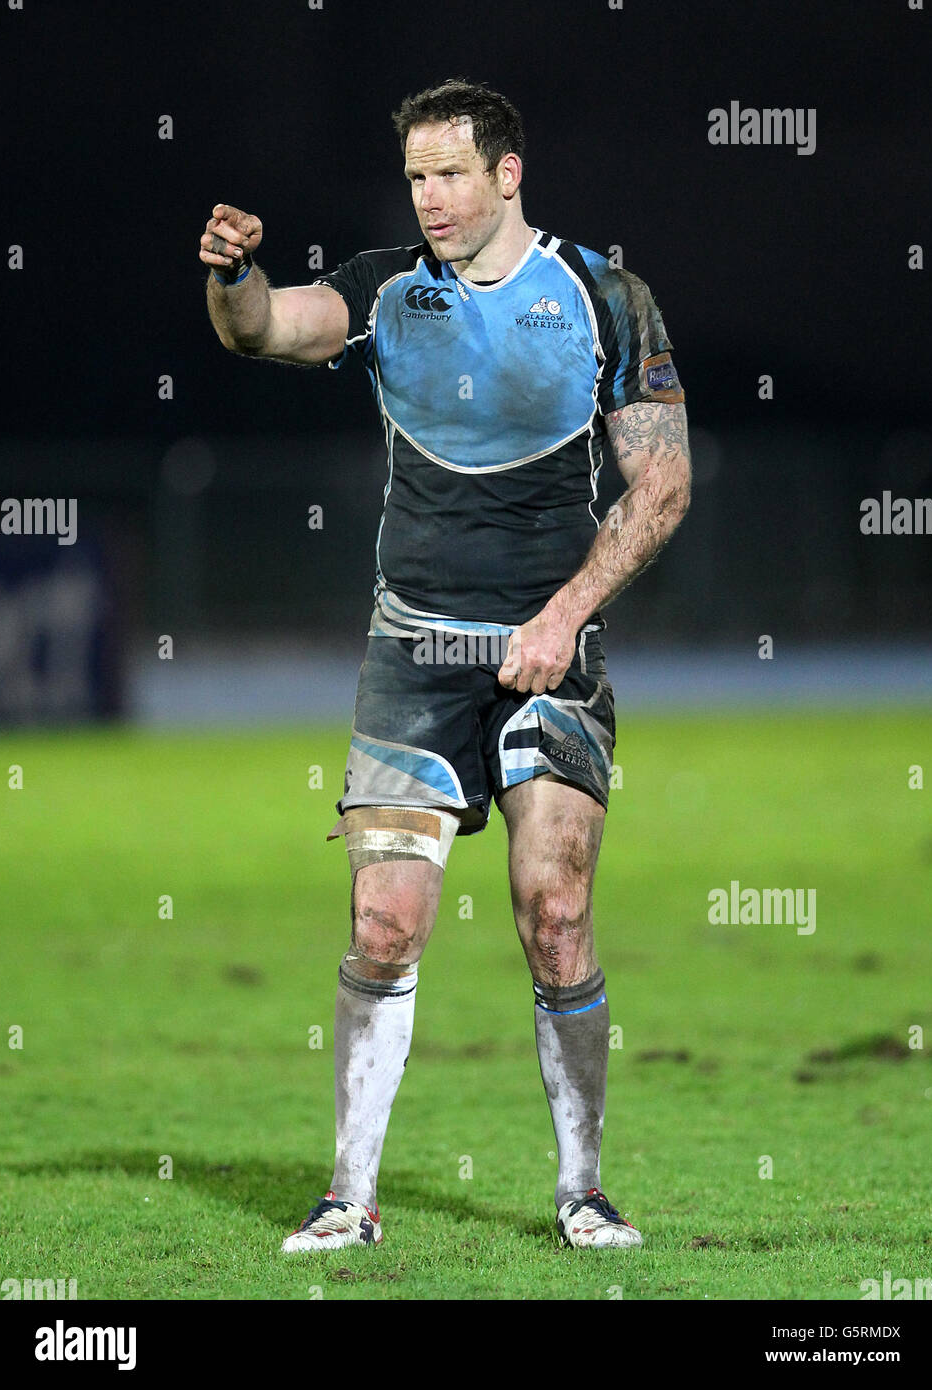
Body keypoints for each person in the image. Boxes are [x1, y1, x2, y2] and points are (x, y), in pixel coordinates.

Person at [202, 78, 691, 1252]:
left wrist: (563, 613)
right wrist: (230, 278)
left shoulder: (602, 297)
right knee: (381, 923)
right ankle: (347, 1198)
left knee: (554, 911)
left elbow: (662, 483)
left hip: (546, 655)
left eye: (452, 174)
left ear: (507, 172)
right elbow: (268, 329)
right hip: (411, 651)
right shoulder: (386, 292)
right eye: (416, 176)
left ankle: (581, 1191)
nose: (430, 197)